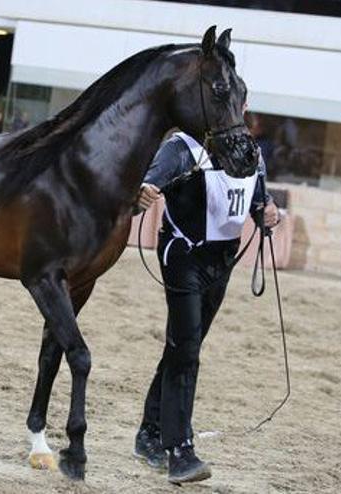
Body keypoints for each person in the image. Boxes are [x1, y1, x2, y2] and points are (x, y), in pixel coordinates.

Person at [132, 124, 279, 484]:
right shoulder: (181, 148)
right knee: (186, 349)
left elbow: (258, 199)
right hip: (183, 254)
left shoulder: (250, 150)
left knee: (184, 345)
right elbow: (142, 193)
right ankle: (179, 450)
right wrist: (141, 197)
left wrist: (268, 213)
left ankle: (150, 432)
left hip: (221, 261)